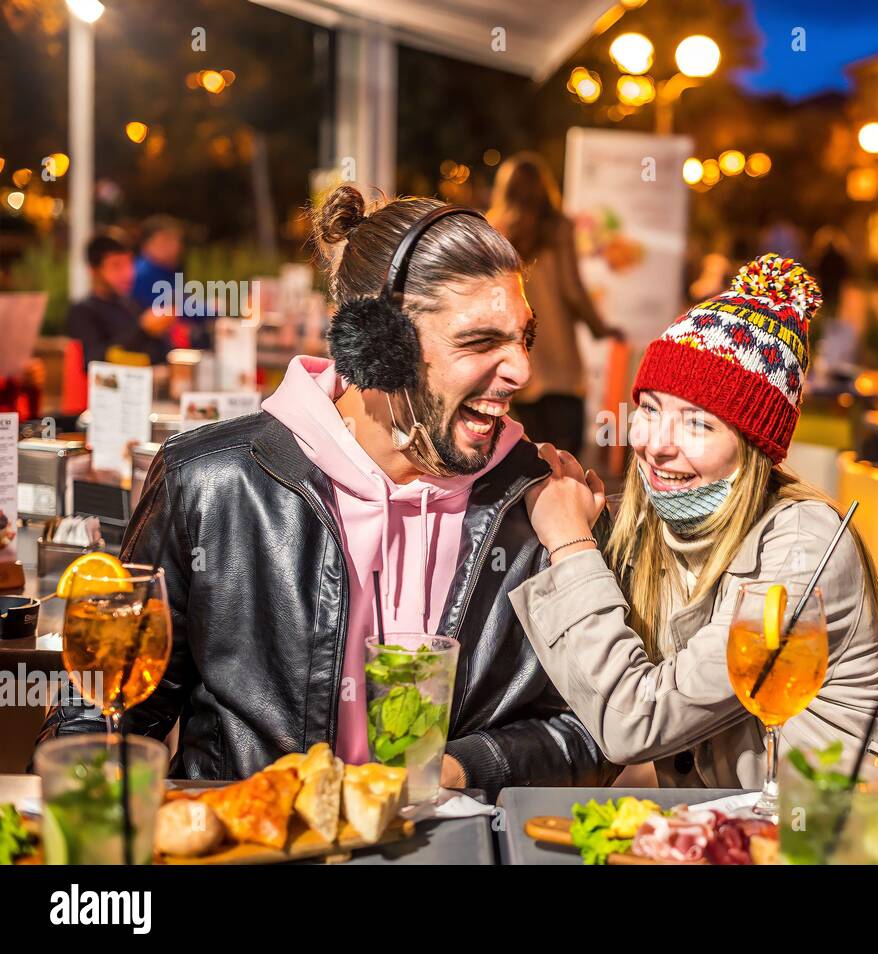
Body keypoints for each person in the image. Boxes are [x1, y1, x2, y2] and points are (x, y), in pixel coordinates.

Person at [40, 186, 617, 798]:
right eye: (479, 342)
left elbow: (599, 732)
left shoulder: (547, 503)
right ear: (375, 345)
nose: (522, 372)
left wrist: (458, 768)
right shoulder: (210, 483)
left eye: (523, 338)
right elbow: (102, 714)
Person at [508, 254, 878, 793]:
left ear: (753, 448)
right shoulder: (652, 530)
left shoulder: (802, 546)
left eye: (697, 423)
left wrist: (571, 544)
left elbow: (633, 724)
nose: (655, 444)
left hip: (866, 829)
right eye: (649, 409)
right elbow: (588, 705)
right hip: (752, 828)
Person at [487, 152, 622, 459]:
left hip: (514, 354)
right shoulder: (560, 228)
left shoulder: (492, 229)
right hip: (558, 356)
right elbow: (572, 290)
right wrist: (600, 328)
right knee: (564, 452)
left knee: (525, 454)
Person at [65, 231, 174, 368]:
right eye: (116, 265)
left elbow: (159, 356)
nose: (127, 273)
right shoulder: (83, 312)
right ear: (93, 270)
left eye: (129, 264)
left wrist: (160, 331)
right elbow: (94, 361)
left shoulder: (130, 305)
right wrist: (143, 329)